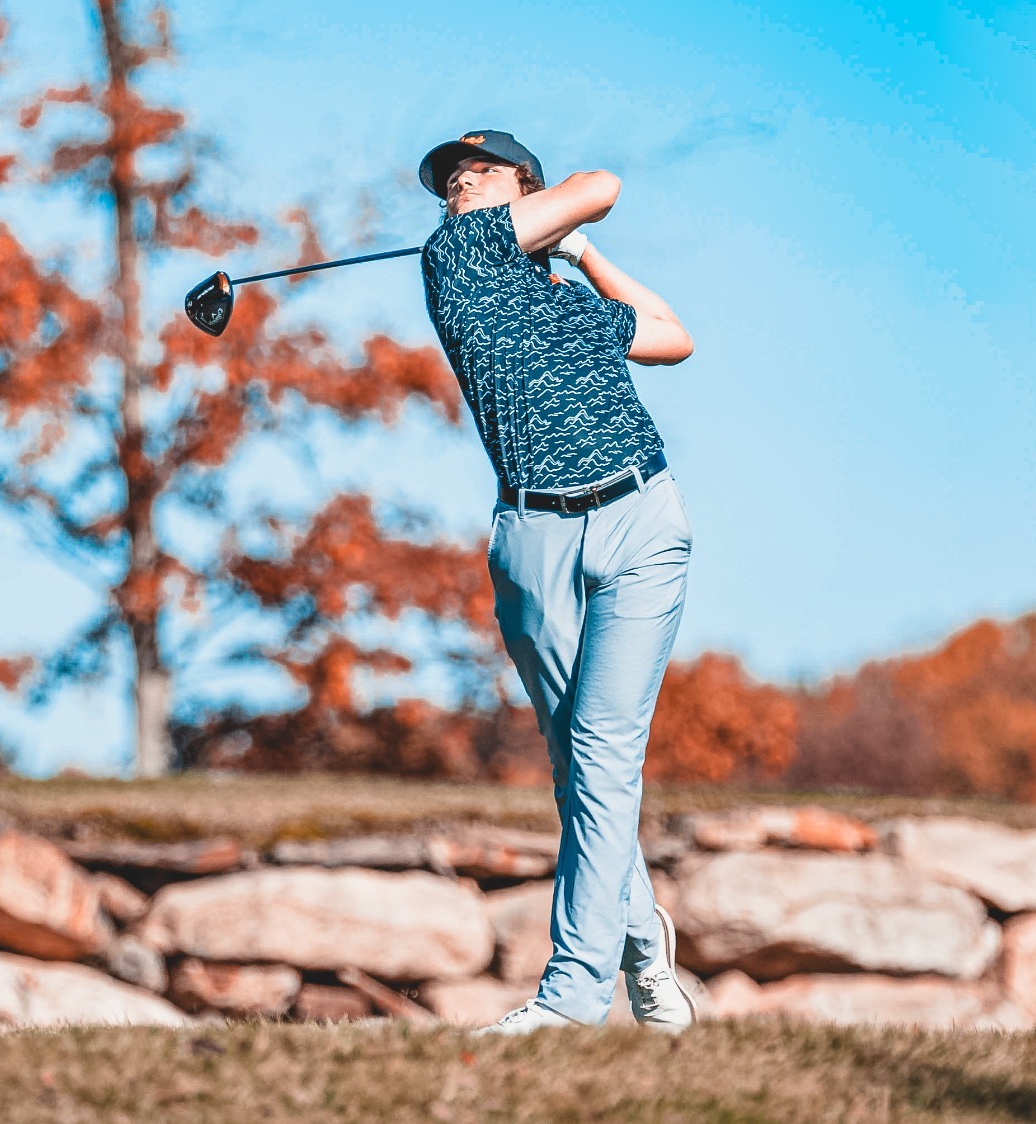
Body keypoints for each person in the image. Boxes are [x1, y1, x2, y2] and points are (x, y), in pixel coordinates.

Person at [417, 130, 697, 1034]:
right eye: (450, 182)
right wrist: (558, 223)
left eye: (480, 173)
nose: (460, 187)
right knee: (581, 760)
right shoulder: (456, 255)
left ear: (525, 187)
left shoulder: (573, 301)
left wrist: (580, 250)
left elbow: (674, 337)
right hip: (535, 535)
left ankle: (573, 999)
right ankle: (644, 944)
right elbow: (601, 184)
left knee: (606, 752)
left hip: (643, 520)